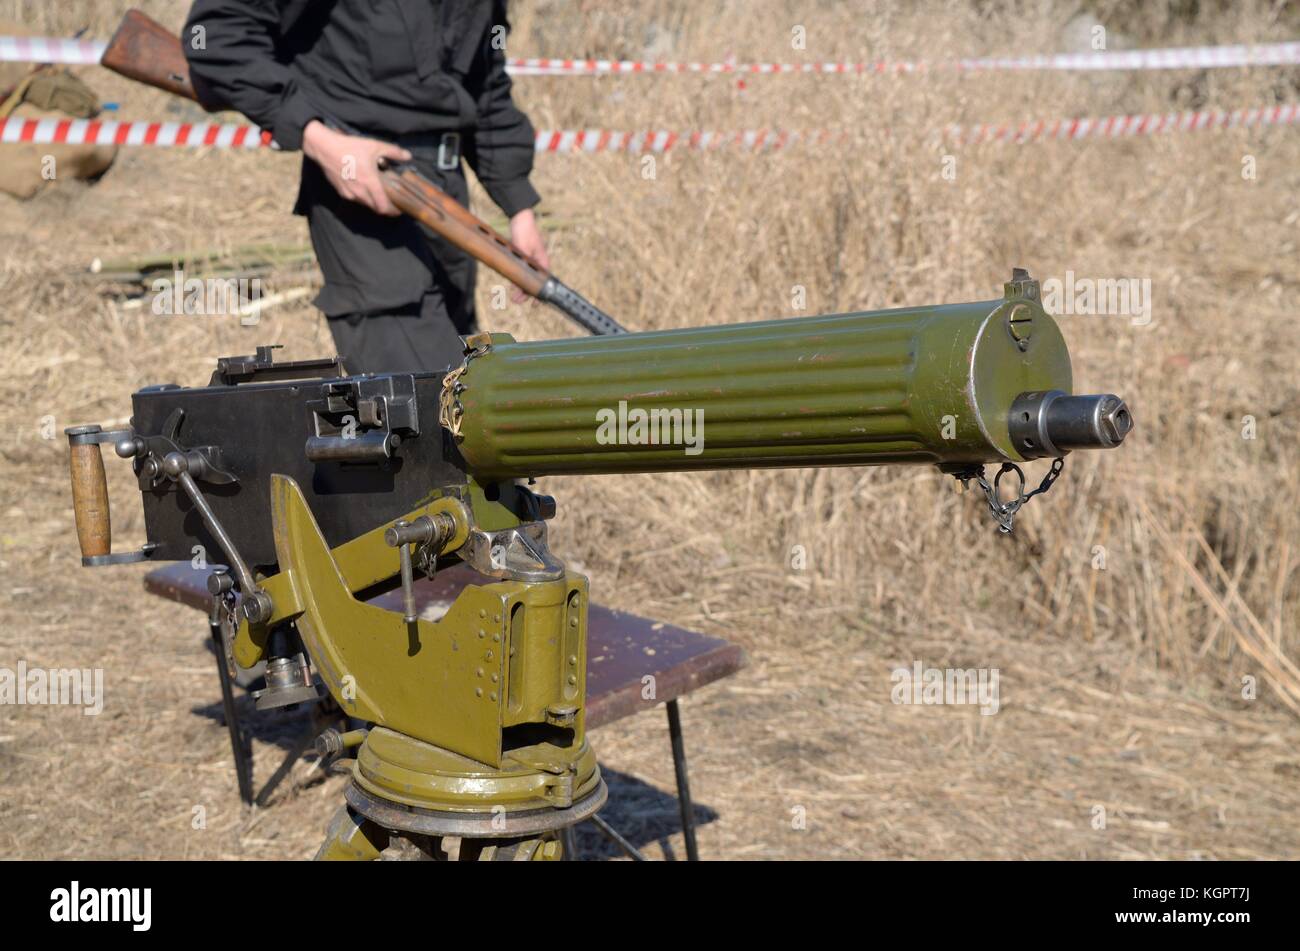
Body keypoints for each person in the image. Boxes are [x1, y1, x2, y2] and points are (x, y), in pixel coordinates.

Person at [183, 0, 548, 374]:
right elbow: (217, 33)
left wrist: (519, 208)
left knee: (467, 384)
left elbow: (485, 83)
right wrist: (321, 141)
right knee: (426, 397)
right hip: (360, 192)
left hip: (447, 199)